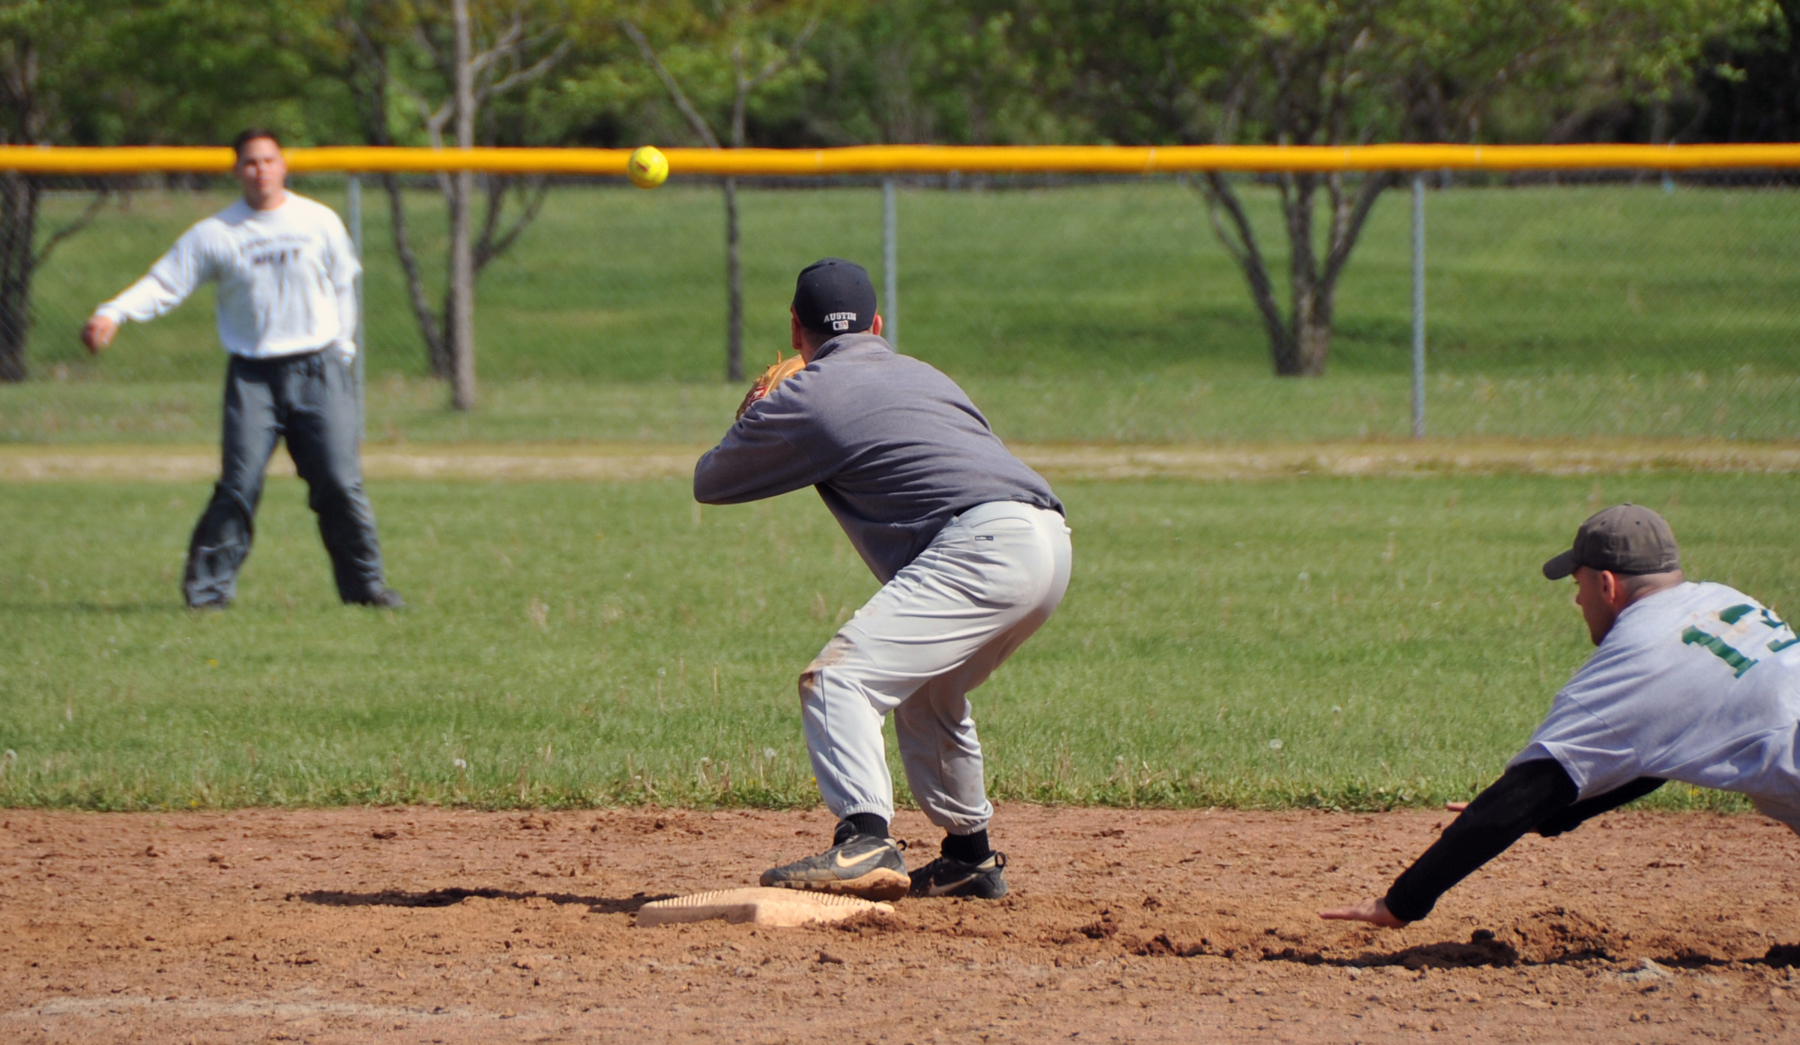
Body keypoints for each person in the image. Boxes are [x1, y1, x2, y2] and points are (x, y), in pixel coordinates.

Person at [693, 258, 1072, 901]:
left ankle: (865, 838)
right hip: (1046, 541)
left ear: (795, 328)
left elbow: (713, 481)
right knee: (928, 693)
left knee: (839, 678)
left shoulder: (806, 395)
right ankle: (968, 859)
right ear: (877, 323)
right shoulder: (924, 374)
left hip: (980, 548)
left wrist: (756, 414)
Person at [1322, 504, 1800, 928]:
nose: (1577, 601)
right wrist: (1549, 815)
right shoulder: (1724, 602)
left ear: (1606, 584)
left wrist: (1402, 901)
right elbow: (1658, 755)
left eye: (1578, 584)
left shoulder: (1639, 655)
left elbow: (1529, 789)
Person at [81, 129, 401, 610]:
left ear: (283, 165)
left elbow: (343, 283)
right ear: (236, 170)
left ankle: (367, 590)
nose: (261, 170)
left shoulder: (317, 220)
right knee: (239, 483)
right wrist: (113, 312)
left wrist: (343, 347)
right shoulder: (216, 233)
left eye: (269, 160)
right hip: (253, 377)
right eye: (250, 162)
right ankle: (208, 595)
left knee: (339, 480)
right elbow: (164, 282)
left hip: (319, 368)